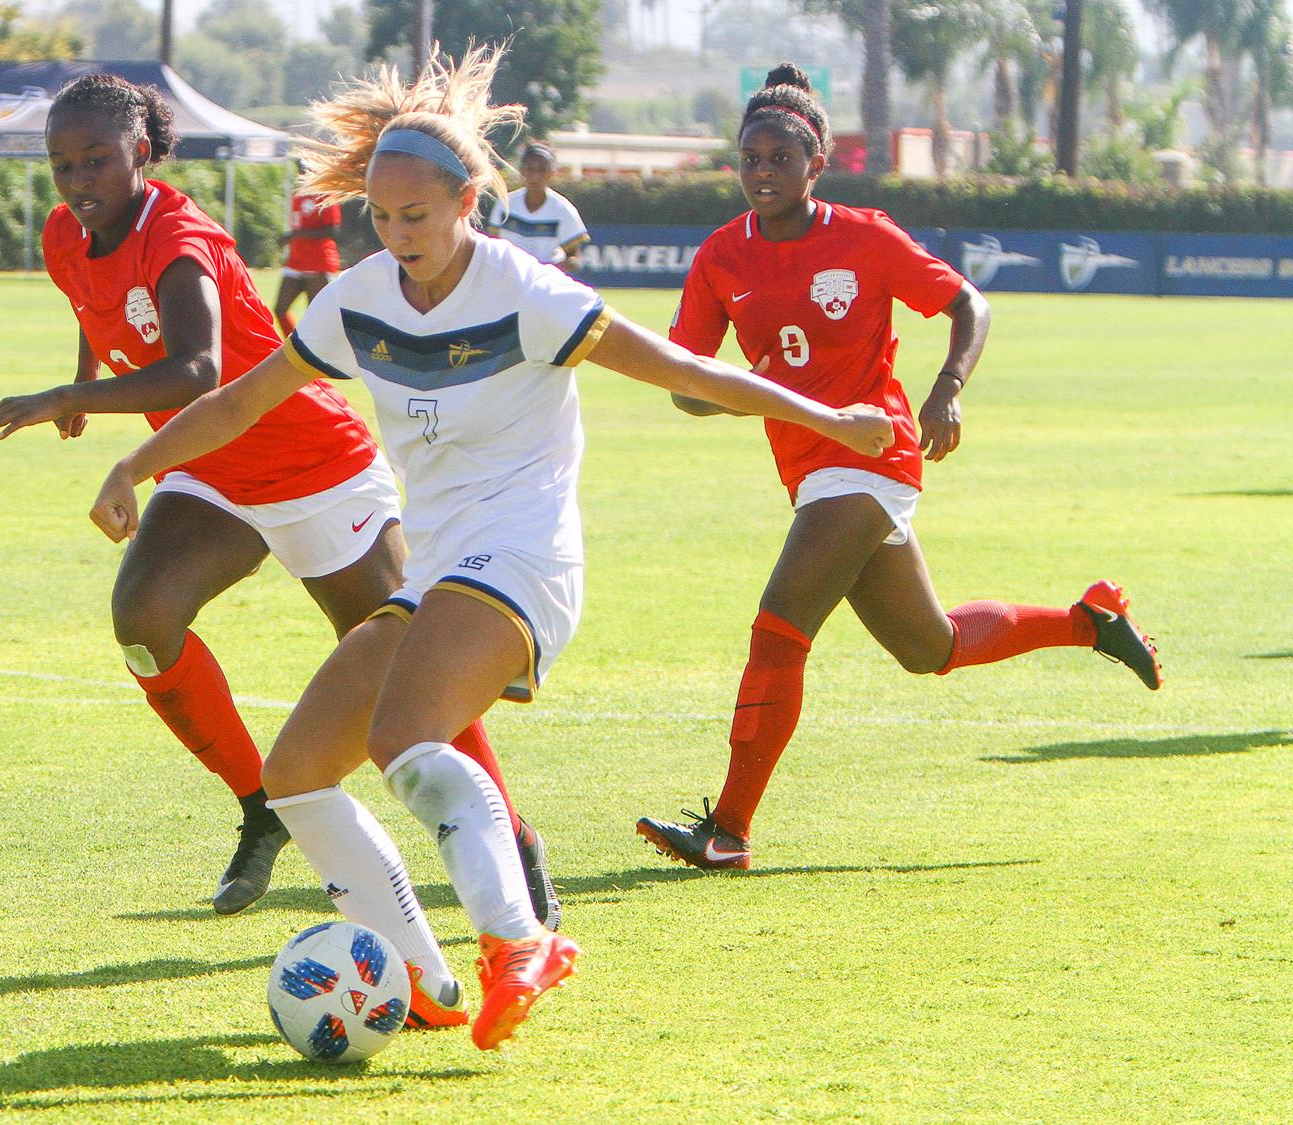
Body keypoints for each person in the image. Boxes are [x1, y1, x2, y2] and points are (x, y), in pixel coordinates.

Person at [88, 48, 895, 1050]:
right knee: (296, 775)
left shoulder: (527, 293)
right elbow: (239, 400)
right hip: (436, 573)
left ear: (466, 201)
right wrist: (137, 464)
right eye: (380, 218)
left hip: (522, 560)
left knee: (406, 738)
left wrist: (833, 417)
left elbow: (687, 369)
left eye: (415, 216)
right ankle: (421, 980)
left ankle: (520, 942)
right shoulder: (359, 297)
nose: (397, 236)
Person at [0, 74, 555, 925]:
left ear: (141, 153)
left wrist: (65, 397)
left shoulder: (178, 237)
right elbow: (94, 303)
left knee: (407, 668)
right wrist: (86, 375)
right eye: (63, 164)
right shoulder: (66, 233)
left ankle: (512, 839)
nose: (79, 180)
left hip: (314, 464)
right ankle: (260, 804)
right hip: (209, 473)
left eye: (97, 159)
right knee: (143, 618)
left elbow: (199, 370)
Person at [634, 65, 1164, 873]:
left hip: (872, 455)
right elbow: (686, 387)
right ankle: (1089, 620)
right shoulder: (721, 256)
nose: (762, 172)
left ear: (817, 165)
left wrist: (947, 388)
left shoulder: (866, 237)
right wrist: (760, 396)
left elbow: (970, 304)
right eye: (750, 158)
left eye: (781, 158)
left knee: (779, 625)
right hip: (809, 470)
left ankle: (728, 830)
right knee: (931, 646)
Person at [485, 142, 588, 270]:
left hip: (544, 277)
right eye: (530, 168)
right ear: (522, 171)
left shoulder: (563, 210)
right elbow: (494, 244)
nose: (535, 176)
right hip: (508, 275)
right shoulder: (505, 204)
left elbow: (573, 257)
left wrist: (558, 267)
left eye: (542, 169)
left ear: (552, 173)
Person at [272, 191, 341, 336]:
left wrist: (297, 234)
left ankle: (320, 347)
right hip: (296, 262)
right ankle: (295, 344)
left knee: (316, 314)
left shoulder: (325, 195)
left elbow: (331, 230)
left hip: (318, 263)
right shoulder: (297, 194)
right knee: (280, 309)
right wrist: (291, 237)